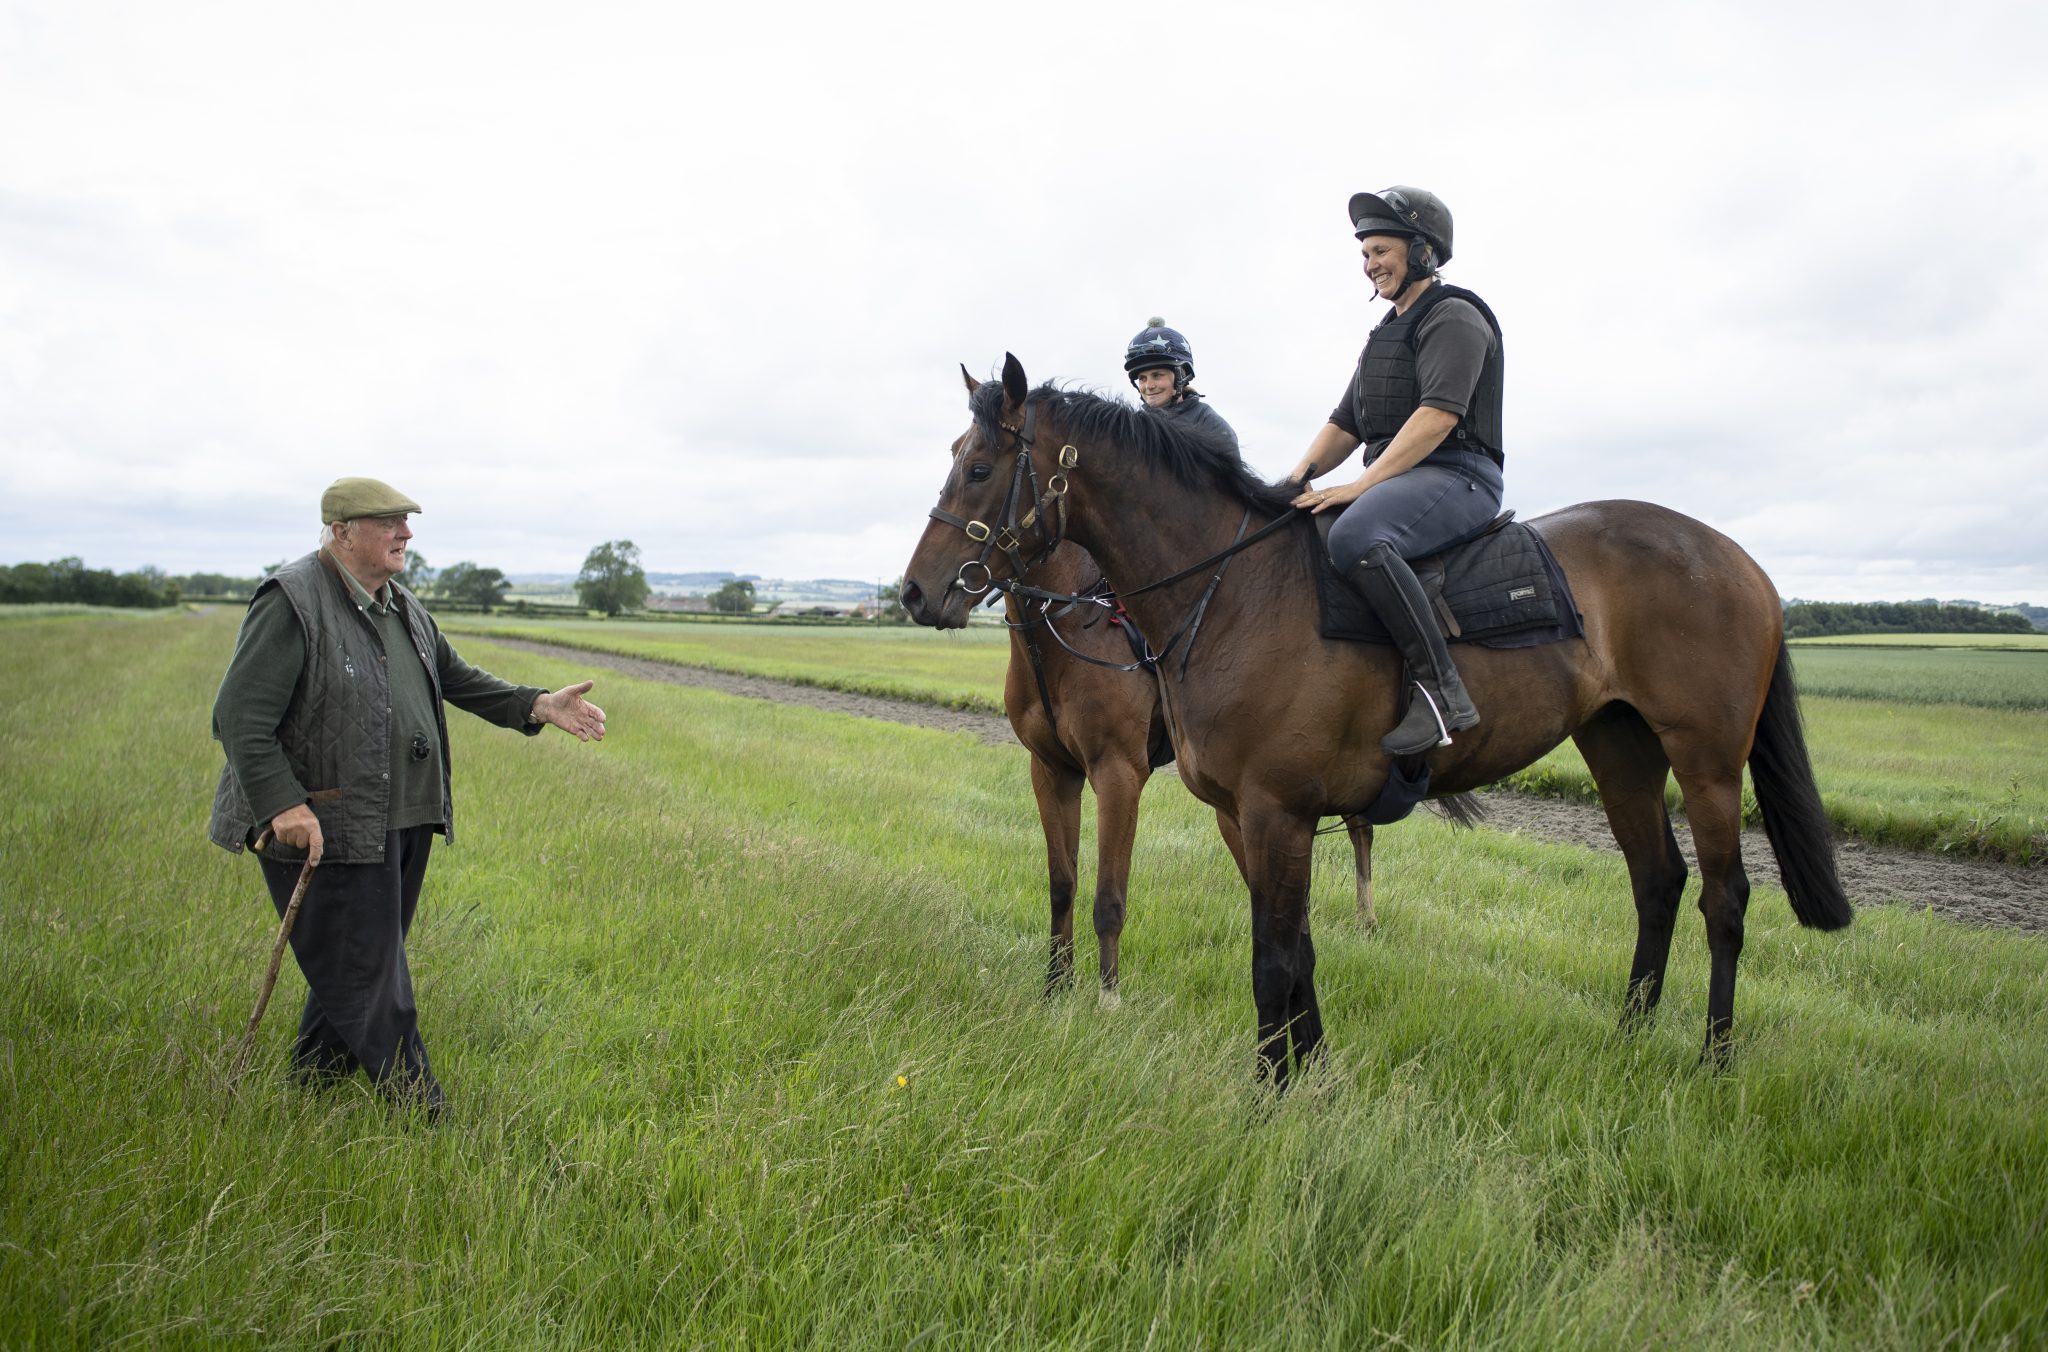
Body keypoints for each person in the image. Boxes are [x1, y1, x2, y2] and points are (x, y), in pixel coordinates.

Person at [207, 477, 609, 1117]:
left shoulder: (398, 604)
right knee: (373, 980)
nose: (407, 534)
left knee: (359, 961)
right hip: (329, 824)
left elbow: (454, 676)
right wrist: (282, 805)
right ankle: (427, 1119)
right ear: (342, 531)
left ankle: (314, 1092)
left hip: (400, 818)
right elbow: (238, 716)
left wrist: (535, 704)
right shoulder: (293, 600)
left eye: (406, 521)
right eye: (389, 522)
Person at [1288, 186, 1505, 757]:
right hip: (1402, 476)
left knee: (1357, 532)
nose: (1371, 265)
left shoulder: (1455, 315)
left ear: (1423, 252)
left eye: (1381, 250)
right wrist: (1291, 482)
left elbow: (1437, 417)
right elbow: (1344, 426)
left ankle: (1443, 693)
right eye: (1365, 254)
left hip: (1460, 473)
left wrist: (1360, 486)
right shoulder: (1383, 333)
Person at [1124, 317, 1238, 451]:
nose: (1149, 386)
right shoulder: (1132, 429)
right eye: (1142, 378)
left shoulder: (1211, 426)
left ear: (1181, 375)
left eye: (1157, 375)